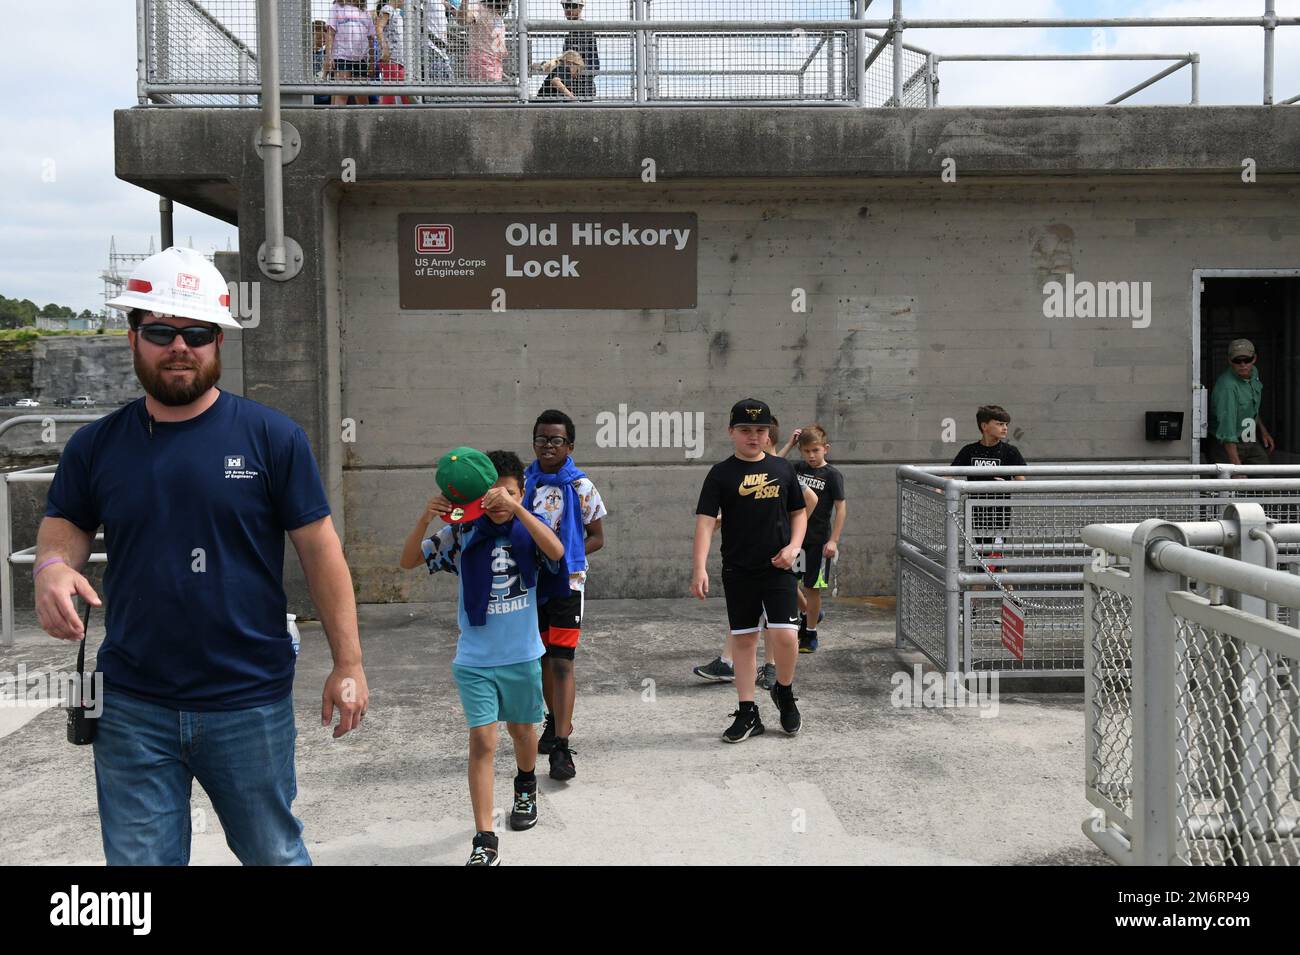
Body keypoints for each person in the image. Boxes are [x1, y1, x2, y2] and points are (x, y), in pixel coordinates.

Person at [35, 247, 368, 866]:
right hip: (132, 703)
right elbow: (64, 527)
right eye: (160, 331)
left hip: (249, 700)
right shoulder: (95, 446)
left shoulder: (272, 438)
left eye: (196, 332)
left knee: (274, 854)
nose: (179, 346)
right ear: (134, 336)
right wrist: (52, 566)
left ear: (218, 341)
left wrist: (348, 662)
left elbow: (321, 553)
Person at [399, 448, 563, 865]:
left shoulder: (530, 530)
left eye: (507, 494)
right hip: (474, 659)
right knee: (482, 740)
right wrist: (426, 517)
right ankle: (484, 839)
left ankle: (525, 785)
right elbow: (407, 561)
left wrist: (518, 510)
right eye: (490, 496)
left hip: (523, 655)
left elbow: (557, 552)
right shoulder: (463, 533)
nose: (497, 504)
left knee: (524, 733)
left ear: (521, 493)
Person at [692, 398, 807, 743]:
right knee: (744, 640)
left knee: (786, 636)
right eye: (745, 430)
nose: (753, 436)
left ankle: (783, 692)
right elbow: (704, 524)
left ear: (769, 432)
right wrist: (699, 567)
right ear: (731, 432)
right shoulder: (720, 474)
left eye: (760, 430)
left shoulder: (782, 469)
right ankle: (748, 712)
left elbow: (799, 513)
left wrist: (794, 547)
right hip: (739, 571)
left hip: (778, 569)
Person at [524, 410, 606, 781]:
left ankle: (562, 746)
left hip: (568, 585)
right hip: (532, 584)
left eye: (556, 440)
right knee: (541, 659)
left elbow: (597, 537)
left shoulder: (581, 487)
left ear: (569, 446)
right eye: (542, 439)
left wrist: (564, 556)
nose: (548, 446)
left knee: (562, 661)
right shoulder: (525, 484)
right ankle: (552, 718)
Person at [950, 405, 1027, 573]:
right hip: (976, 516)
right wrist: (938, 489)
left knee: (995, 560)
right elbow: (949, 476)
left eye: (1006, 424)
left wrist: (1006, 484)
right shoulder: (969, 451)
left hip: (999, 516)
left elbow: (1022, 482)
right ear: (984, 426)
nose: (1005, 428)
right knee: (982, 560)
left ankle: (1008, 598)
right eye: (999, 423)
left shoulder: (1010, 452)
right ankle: (982, 598)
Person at [792, 425, 846, 653]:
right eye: (806, 451)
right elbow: (772, 462)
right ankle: (810, 612)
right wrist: (788, 444)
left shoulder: (832, 475)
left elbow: (841, 509)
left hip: (818, 542)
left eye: (815, 450)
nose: (811, 456)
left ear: (826, 448)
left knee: (812, 588)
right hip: (796, 539)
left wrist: (833, 540)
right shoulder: (796, 469)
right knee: (786, 583)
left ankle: (810, 633)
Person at [1209, 338, 1274, 471]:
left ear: (1254, 359)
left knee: (1267, 479)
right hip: (1226, 444)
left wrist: (1263, 431)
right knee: (1233, 487)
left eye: (1247, 360)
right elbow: (1227, 431)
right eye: (1237, 361)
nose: (1243, 365)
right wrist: (1236, 468)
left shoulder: (1254, 373)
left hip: (1249, 438)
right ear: (1229, 361)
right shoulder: (1227, 387)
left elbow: (1251, 406)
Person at [325, 0, 377, 105]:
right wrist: (329, 56)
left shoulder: (364, 12)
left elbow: (370, 38)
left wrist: (371, 62)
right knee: (342, 94)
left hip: (361, 58)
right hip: (342, 56)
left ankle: (364, 120)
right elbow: (330, 33)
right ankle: (338, 120)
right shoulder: (337, 8)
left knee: (362, 95)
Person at [461, 0, 509, 82]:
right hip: (481, 65)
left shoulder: (497, 15)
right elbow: (464, 19)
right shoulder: (479, 8)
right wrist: (464, 2)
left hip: (495, 66)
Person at [559, 0, 599, 100]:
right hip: (572, 87)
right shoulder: (571, 34)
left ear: (580, 8)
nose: (568, 9)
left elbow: (593, 65)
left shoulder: (585, 31)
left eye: (572, 6)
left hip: (583, 87)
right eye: (566, 6)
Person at [376, 1, 414, 104]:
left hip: (399, 58)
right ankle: (387, 114)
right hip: (390, 57)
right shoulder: (387, 9)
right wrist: (384, 47)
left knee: (403, 90)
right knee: (390, 90)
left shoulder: (397, 12)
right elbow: (379, 27)